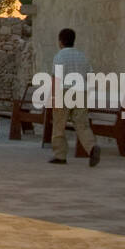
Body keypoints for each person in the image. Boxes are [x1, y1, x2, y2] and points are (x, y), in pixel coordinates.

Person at [48, 28, 100, 166]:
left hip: (64, 91)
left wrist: (53, 98)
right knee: (82, 124)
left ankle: (60, 155)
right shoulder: (82, 56)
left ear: (60, 41)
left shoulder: (59, 56)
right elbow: (90, 76)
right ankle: (92, 147)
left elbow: (56, 78)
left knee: (59, 124)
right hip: (80, 91)